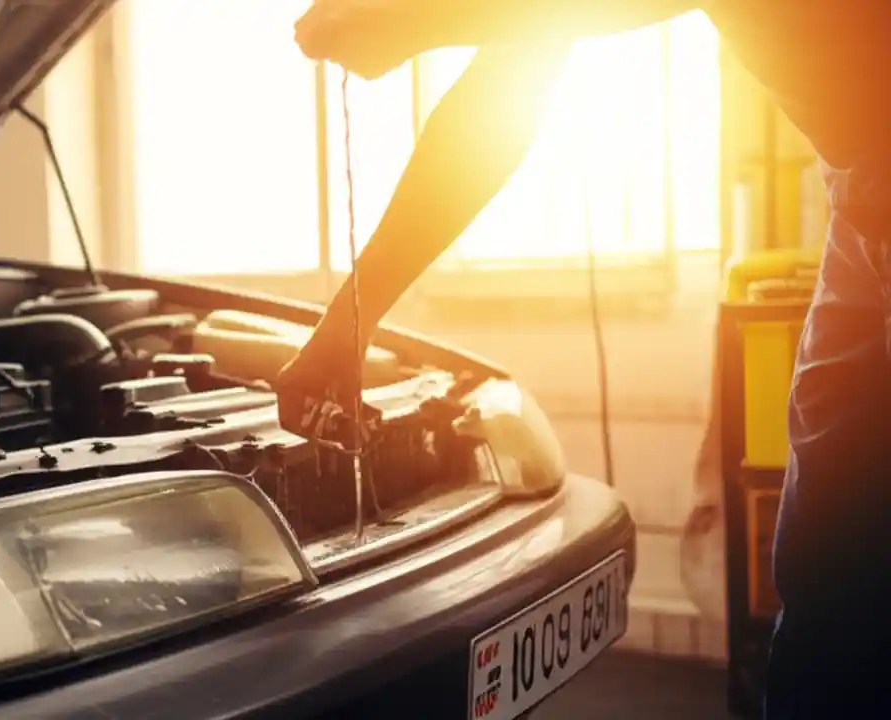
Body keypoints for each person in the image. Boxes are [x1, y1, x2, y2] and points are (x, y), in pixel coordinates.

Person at [278, 2, 891, 718]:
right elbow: (500, 94)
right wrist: (347, 327)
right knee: (828, 569)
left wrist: (417, 22)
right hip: (861, 198)